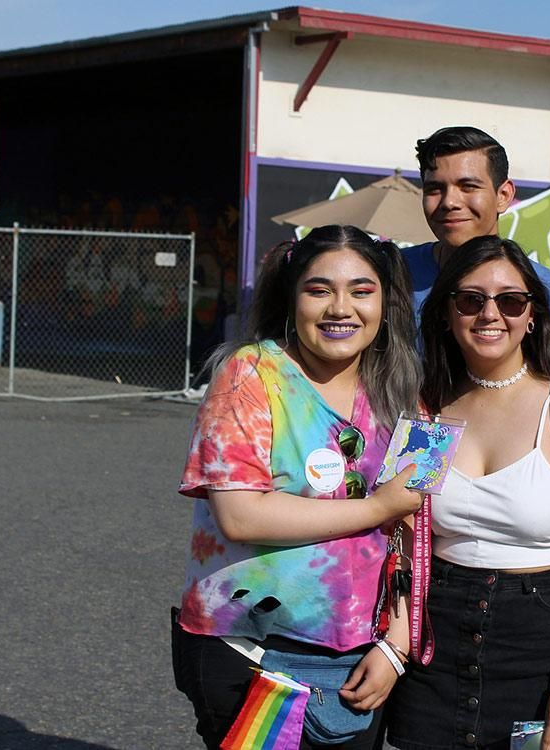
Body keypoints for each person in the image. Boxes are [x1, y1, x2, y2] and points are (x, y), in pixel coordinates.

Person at [172, 225, 425, 749]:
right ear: (291, 297)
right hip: (249, 650)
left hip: (362, 657)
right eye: (319, 290)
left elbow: (417, 525)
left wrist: (397, 645)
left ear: (385, 302)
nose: (340, 308)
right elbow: (241, 516)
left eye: (361, 290)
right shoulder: (249, 374)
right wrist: (377, 505)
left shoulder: (409, 391)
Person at [387, 236, 550, 750]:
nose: (491, 314)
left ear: (532, 315)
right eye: (471, 299)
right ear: (446, 313)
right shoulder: (428, 407)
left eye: (510, 301)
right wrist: (394, 646)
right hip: (434, 642)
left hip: (536, 642)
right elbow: (402, 532)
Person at [403, 125, 550, 379]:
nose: (449, 202)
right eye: (434, 189)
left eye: (468, 187)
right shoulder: (391, 277)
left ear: (504, 195)